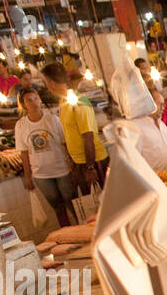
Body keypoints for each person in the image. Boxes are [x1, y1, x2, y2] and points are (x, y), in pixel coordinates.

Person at [15, 89, 75, 229]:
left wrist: (72, 164)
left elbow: (66, 143)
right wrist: (28, 176)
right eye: (29, 100)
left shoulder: (52, 119)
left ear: (40, 100)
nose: (34, 102)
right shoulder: (21, 125)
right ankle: (67, 231)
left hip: (62, 169)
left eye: (36, 98)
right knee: (57, 206)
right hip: (41, 174)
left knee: (71, 202)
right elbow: (24, 152)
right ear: (24, 105)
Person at [42, 62, 108, 190]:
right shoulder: (63, 101)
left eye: (46, 82)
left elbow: (88, 136)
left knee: (104, 200)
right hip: (79, 161)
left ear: (51, 83)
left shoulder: (79, 103)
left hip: (94, 160)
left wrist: (90, 168)